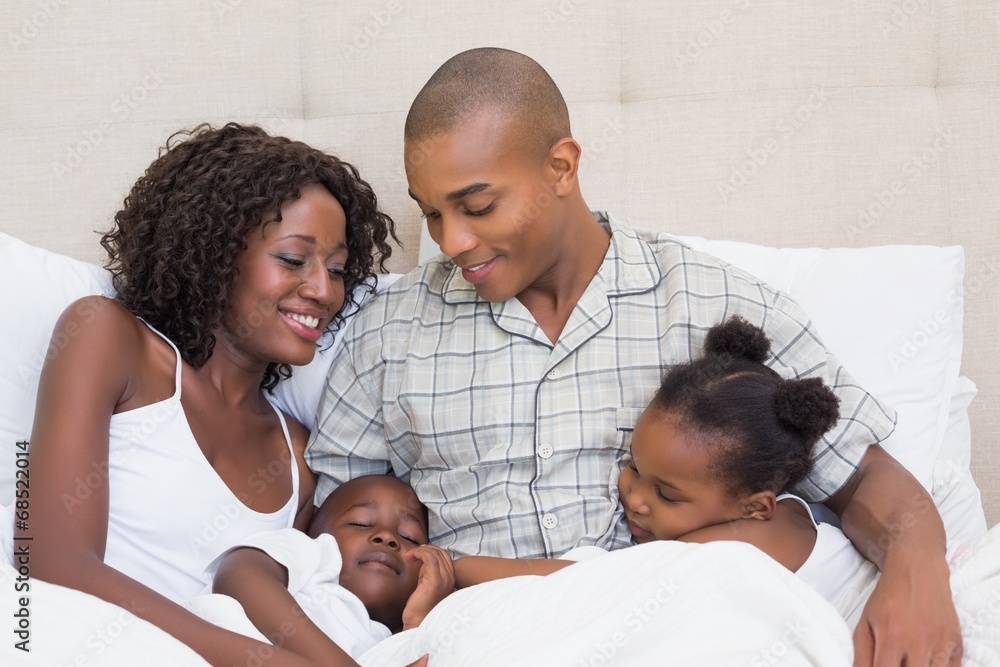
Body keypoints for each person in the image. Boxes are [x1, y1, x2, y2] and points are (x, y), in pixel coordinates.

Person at [307, 47, 962, 665]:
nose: (452, 241)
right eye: (431, 214)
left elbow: (860, 474)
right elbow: (329, 545)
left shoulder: (713, 302)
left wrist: (917, 572)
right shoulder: (389, 334)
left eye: (477, 206)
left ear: (561, 167)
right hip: (486, 640)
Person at [14, 123, 399, 667]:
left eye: (336, 271)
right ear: (215, 255)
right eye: (294, 260)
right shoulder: (110, 340)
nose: (323, 291)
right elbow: (51, 560)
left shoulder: (298, 458)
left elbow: (309, 606)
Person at [451, 316, 879, 626]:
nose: (635, 499)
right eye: (634, 468)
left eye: (667, 494)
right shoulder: (781, 516)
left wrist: (456, 567)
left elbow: (584, 584)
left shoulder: (740, 544)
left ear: (753, 507)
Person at [205, 474, 454, 666]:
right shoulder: (314, 553)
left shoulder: (398, 637)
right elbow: (239, 577)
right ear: (315, 534)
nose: (387, 537)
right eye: (361, 523)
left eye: (409, 537)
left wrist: (415, 623)